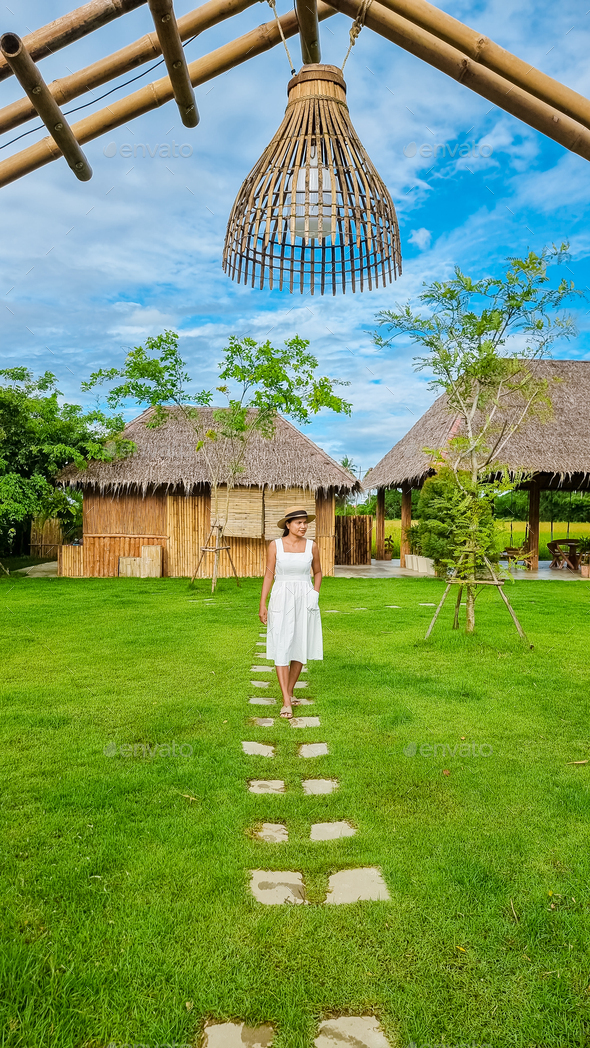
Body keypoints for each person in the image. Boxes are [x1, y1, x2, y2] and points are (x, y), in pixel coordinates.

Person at [259, 505, 323, 719]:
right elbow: (269, 575)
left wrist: (315, 593)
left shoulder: (311, 546)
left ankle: (290, 690)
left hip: (305, 597)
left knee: (300, 644)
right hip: (281, 597)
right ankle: (286, 700)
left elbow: (319, 572)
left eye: (305, 522)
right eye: (299, 523)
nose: (304, 526)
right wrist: (263, 603)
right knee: (282, 645)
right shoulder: (275, 546)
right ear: (288, 525)